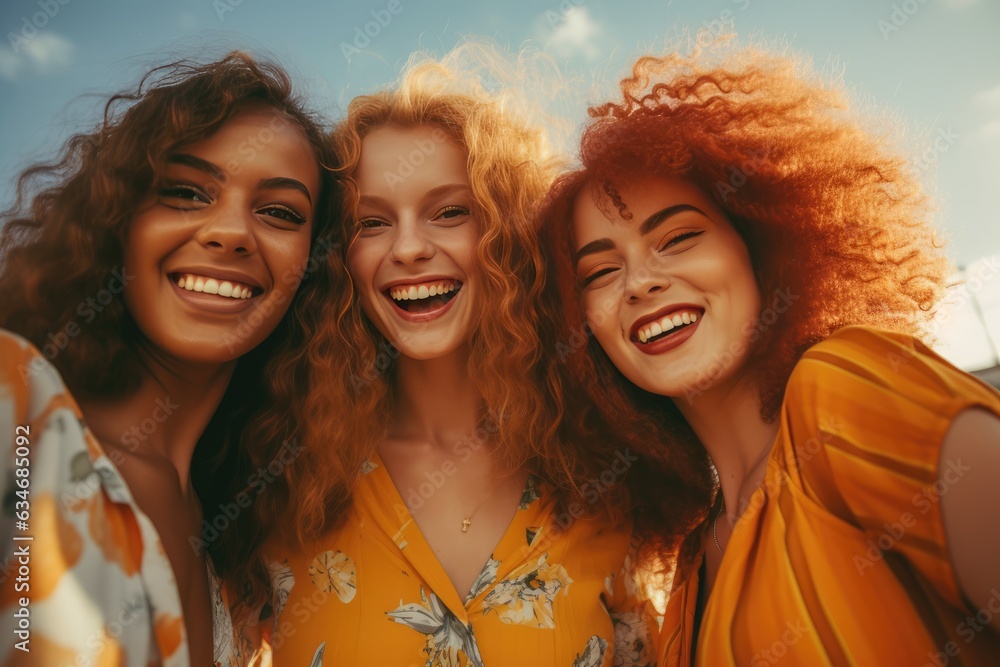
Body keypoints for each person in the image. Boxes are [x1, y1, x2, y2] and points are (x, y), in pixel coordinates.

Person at [537, 40, 1000, 665]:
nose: (640, 281)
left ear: (760, 245)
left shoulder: (841, 393)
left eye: (677, 237)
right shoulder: (687, 576)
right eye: (599, 273)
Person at [217, 47, 661, 666]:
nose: (407, 249)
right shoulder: (276, 478)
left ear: (508, 235)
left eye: (450, 212)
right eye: (371, 223)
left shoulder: (605, 473)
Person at [0, 51, 335, 666]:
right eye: (185, 192)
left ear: (313, 268)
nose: (231, 231)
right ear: (116, 219)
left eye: (280, 212)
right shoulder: (14, 417)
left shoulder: (238, 555)